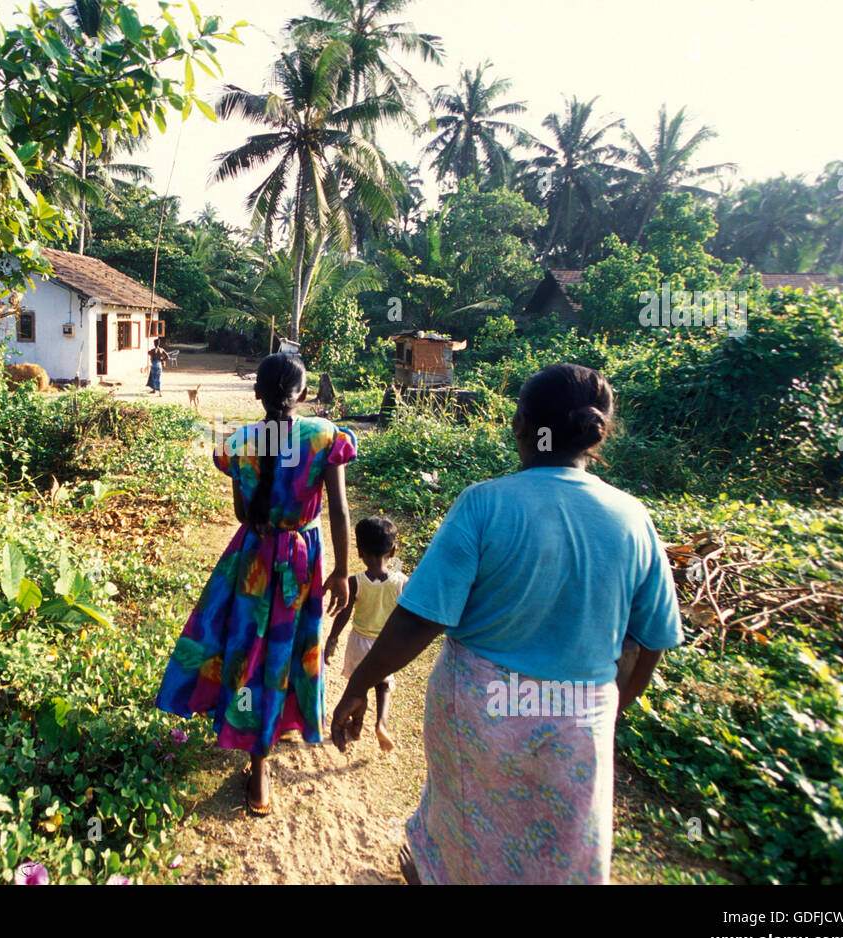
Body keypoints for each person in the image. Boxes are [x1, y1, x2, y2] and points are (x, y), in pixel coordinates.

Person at [331, 363, 684, 884]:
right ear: (596, 433)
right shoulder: (634, 518)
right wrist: (595, 711)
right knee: (563, 853)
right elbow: (648, 642)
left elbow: (417, 622)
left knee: (464, 832)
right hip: (580, 721)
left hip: (481, 714)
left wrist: (357, 686)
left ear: (522, 426)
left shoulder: (485, 504)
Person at [156, 353, 356, 815]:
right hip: (304, 563)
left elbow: (243, 514)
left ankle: (258, 756)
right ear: (303, 395)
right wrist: (343, 571)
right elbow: (342, 512)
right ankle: (267, 749)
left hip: (253, 564)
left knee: (251, 653)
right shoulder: (325, 436)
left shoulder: (239, 443)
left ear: (256, 394)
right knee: (289, 652)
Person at [324, 516, 407, 753]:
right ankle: (381, 723)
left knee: (358, 686)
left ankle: (357, 726)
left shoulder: (356, 582)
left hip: (359, 642)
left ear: (359, 552)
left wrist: (333, 639)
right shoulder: (401, 582)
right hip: (385, 644)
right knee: (384, 684)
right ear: (393, 551)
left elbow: (344, 613)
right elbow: (407, 613)